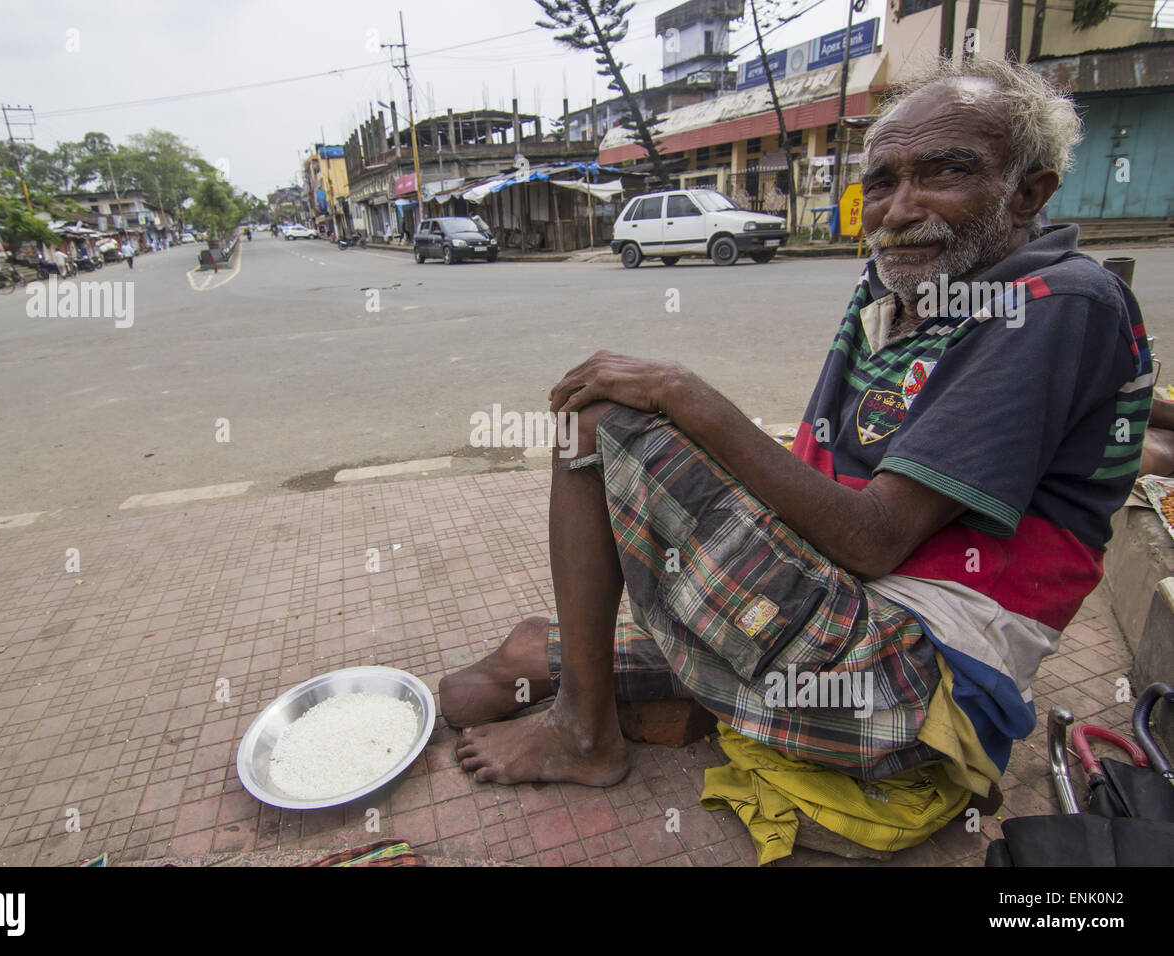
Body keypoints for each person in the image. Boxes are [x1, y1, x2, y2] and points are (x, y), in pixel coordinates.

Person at [442, 58, 1151, 792]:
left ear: (1028, 192)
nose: (901, 210)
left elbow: (873, 539)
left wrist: (682, 392)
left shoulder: (1059, 302)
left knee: (596, 426)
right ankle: (593, 687)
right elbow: (827, 483)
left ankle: (585, 731)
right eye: (882, 182)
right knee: (514, 663)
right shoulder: (901, 289)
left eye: (943, 174)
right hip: (836, 596)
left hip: (909, 678)